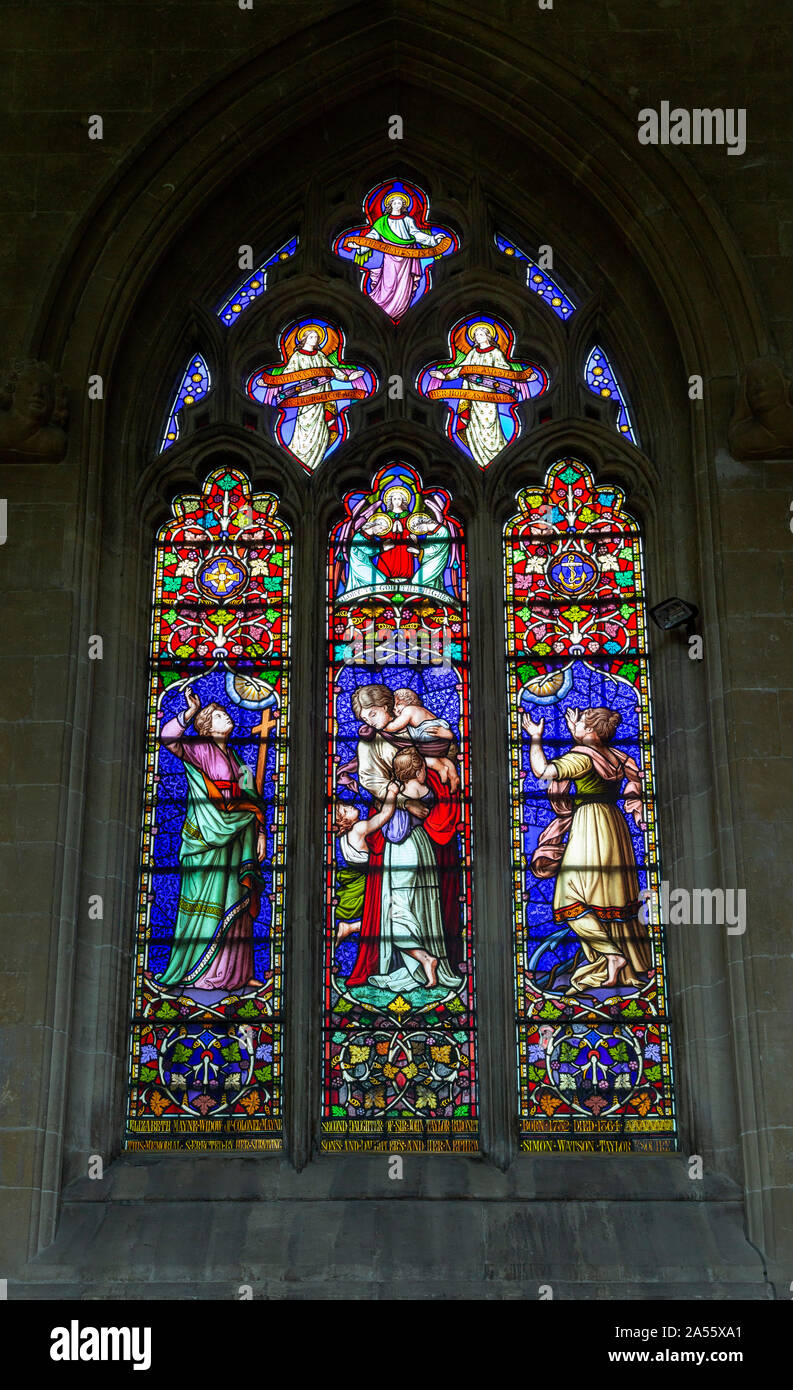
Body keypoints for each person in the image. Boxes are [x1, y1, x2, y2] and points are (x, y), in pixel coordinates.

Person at [522, 704, 652, 996]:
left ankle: (611, 954)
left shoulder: (582, 758)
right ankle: (617, 960)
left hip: (590, 827)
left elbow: (543, 771)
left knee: (568, 898)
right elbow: (636, 779)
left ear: (590, 730)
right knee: (608, 894)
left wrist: (535, 737)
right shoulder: (618, 756)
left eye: (578, 723)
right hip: (615, 827)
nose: (573, 725)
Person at [345, 684, 464, 986]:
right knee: (395, 900)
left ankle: (427, 960)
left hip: (420, 833)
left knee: (420, 895)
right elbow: (371, 780)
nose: (371, 721)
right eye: (365, 716)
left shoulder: (407, 730)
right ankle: (408, 963)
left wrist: (443, 763)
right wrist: (403, 801)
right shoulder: (369, 743)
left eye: (374, 713)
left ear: (388, 707)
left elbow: (432, 755)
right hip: (395, 832)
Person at [154, 686, 267, 992]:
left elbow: (252, 799)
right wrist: (189, 712)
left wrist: (260, 833)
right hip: (206, 837)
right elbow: (168, 739)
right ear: (205, 725)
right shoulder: (198, 748)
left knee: (236, 901)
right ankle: (192, 970)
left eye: (225, 713)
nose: (227, 716)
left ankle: (237, 974)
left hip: (236, 839)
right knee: (205, 899)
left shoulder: (236, 757)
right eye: (219, 714)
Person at [366, 748, 462, 992]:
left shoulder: (396, 789)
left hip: (401, 848)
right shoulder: (425, 791)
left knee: (397, 910)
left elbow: (384, 803)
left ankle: (423, 959)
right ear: (417, 770)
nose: (425, 773)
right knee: (419, 905)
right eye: (421, 769)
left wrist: (395, 798)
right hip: (422, 844)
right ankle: (419, 963)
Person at [429, 322, 535, 467]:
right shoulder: (473, 353)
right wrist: (444, 376)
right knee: (473, 424)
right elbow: (462, 368)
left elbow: (506, 371)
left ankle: (495, 453)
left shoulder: (495, 353)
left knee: (489, 422)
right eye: (475, 335)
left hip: (488, 395)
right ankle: (478, 456)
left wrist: (524, 377)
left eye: (480, 334)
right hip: (470, 393)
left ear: (488, 336)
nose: (477, 337)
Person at [261, 326, 365, 470]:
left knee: (323, 428)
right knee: (305, 426)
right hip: (306, 397)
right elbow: (286, 374)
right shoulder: (297, 356)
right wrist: (269, 381)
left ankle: (318, 459)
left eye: (316, 337)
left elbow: (333, 370)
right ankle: (300, 457)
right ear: (304, 339)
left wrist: (348, 377)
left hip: (324, 396)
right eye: (311, 337)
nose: (314, 339)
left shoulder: (320, 355)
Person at [356, 191, 444, 319]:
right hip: (390, 257)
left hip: (407, 257)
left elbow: (417, 234)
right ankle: (385, 309)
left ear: (403, 206)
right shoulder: (382, 222)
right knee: (388, 283)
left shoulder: (408, 220)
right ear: (390, 205)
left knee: (404, 285)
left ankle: (400, 309)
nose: (397, 205)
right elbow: (372, 237)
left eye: (400, 203)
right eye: (395, 202)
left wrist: (433, 239)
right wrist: (360, 246)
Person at [333, 787, 398, 943]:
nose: (350, 806)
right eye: (346, 810)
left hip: (364, 880)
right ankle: (351, 928)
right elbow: (385, 815)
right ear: (343, 821)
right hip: (373, 881)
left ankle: (350, 928)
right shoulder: (359, 829)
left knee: (384, 916)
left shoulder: (344, 840)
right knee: (391, 916)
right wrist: (392, 793)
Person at [385, 687, 460, 790]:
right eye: (393, 709)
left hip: (431, 738)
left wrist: (385, 726)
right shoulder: (419, 712)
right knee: (443, 758)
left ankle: (441, 768)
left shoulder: (410, 710)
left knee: (423, 758)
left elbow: (395, 726)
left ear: (409, 701)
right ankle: (454, 777)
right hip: (438, 742)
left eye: (398, 704)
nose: (396, 710)